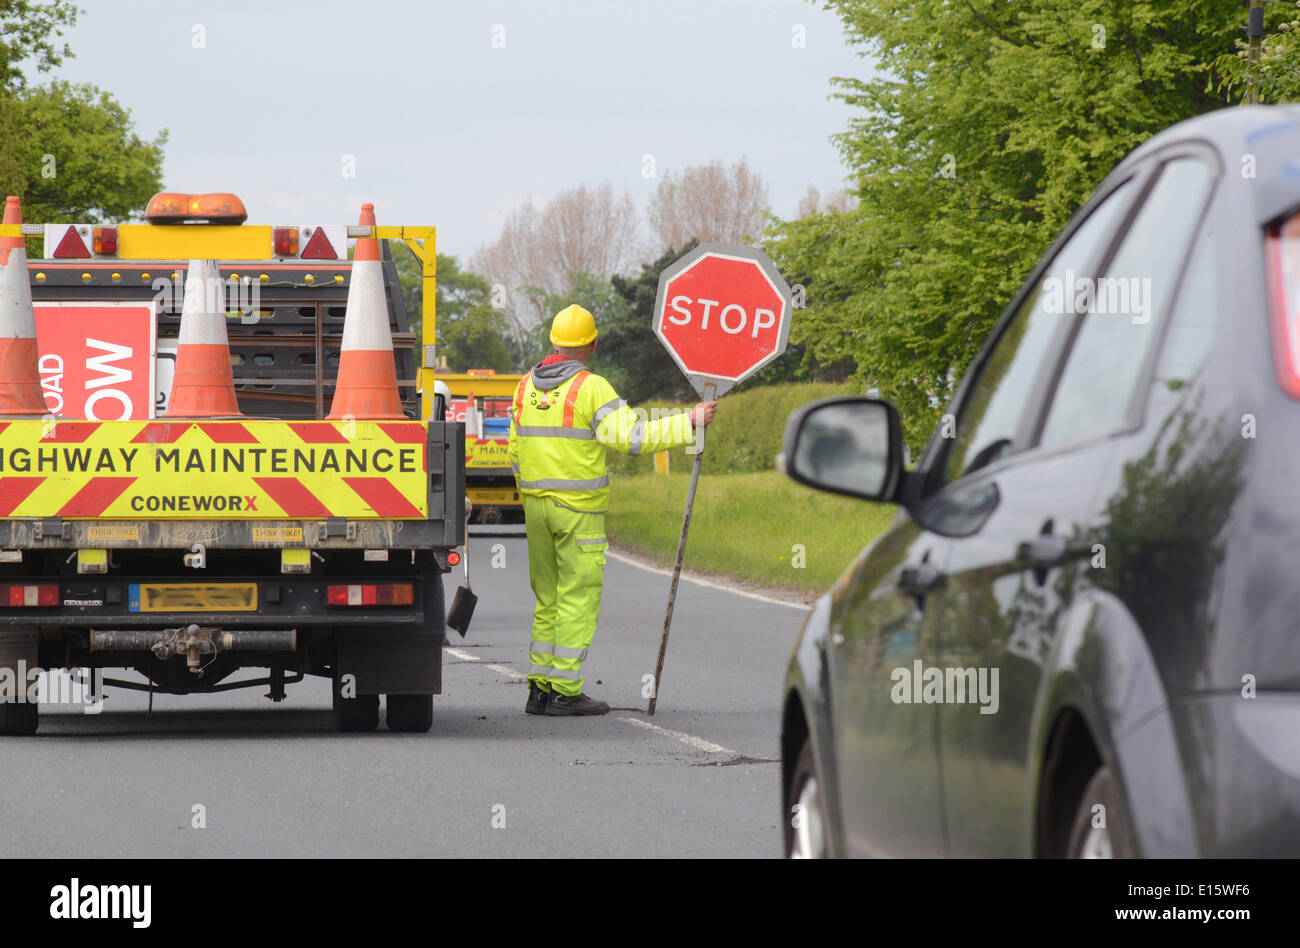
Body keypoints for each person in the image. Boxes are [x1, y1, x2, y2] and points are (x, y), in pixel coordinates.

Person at [508, 303, 717, 716]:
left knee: (547, 598)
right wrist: (688, 421)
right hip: (578, 512)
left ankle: (539, 689)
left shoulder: (523, 388)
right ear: (593, 344)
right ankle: (565, 691)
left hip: (536, 509)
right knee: (577, 598)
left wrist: (533, 493)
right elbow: (632, 438)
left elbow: (514, 450)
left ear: (552, 342)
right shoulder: (592, 388)